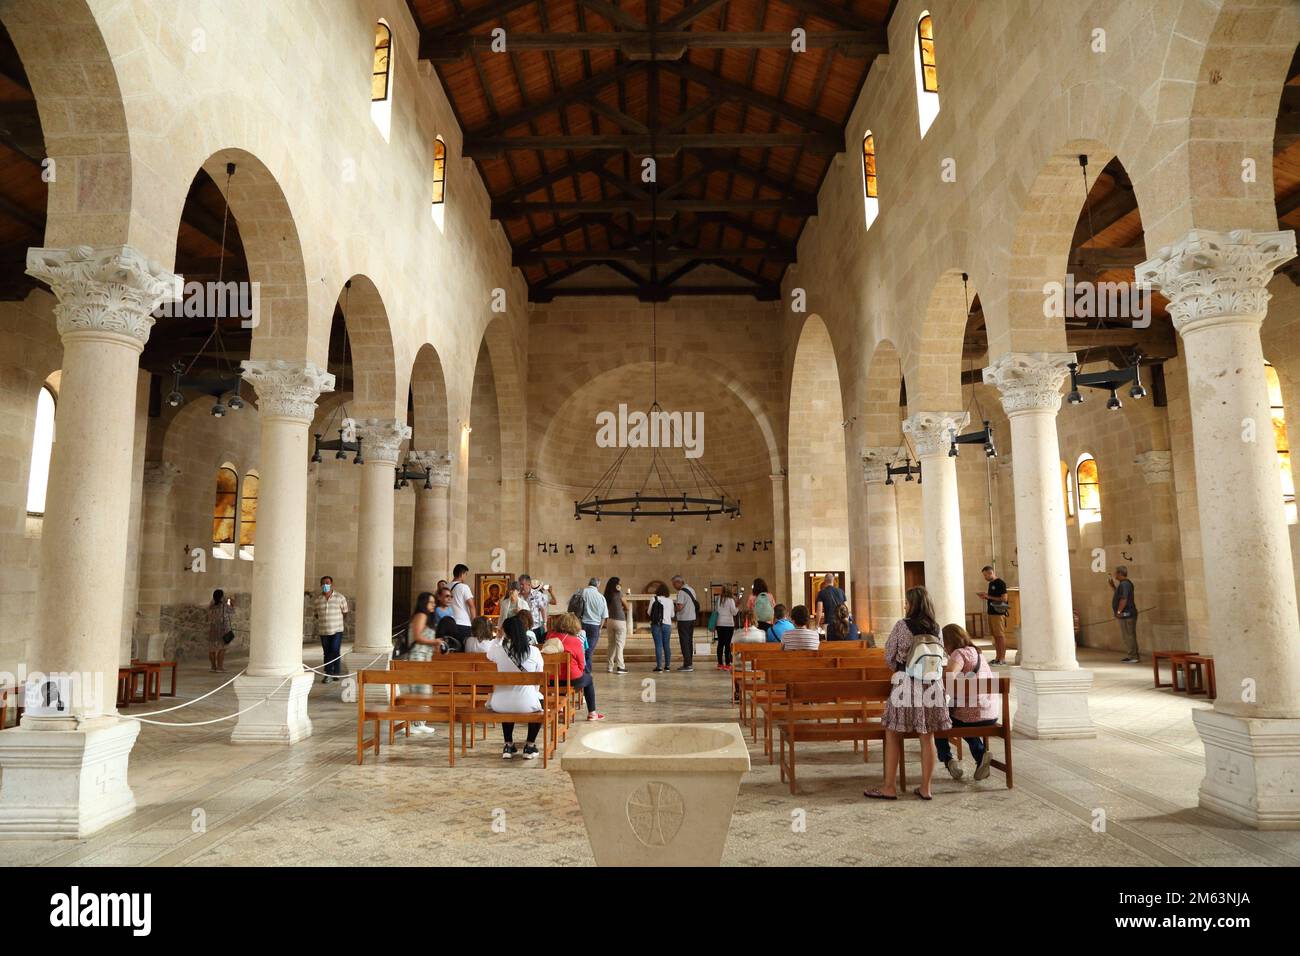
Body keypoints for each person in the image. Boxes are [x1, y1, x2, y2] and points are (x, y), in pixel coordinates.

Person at [864, 586, 951, 801]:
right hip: (932, 685)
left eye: (907, 601)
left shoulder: (902, 626)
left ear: (912, 604)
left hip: (906, 684)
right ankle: (925, 788)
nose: (905, 605)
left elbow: (888, 655)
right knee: (927, 735)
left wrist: (900, 668)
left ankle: (889, 787)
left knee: (893, 733)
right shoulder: (936, 628)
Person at [935, 623, 999, 781]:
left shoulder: (958, 654)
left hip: (973, 715)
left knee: (939, 722)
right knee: (962, 720)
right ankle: (980, 756)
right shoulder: (978, 653)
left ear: (948, 641)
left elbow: (949, 679)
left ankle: (949, 760)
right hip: (990, 713)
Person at [484, 615, 545, 759]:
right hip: (527, 704)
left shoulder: (498, 651)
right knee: (540, 699)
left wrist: (498, 638)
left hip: (500, 705)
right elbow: (539, 677)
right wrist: (533, 693)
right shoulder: (534, 651)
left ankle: (508, 745)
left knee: (507, 695)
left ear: (505, 631)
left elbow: (488, 654)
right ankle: (529, 746)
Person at [548, 611, 603, 720]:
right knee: (589, 680)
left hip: (552, 679)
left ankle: (560, 708)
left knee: (561, 676)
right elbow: (582, 664)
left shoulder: (550, 636)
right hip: (572, 679)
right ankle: (592, 713)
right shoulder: (575, 641)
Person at [404, 591, 444, 735]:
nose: (434, 605)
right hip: (417, 656)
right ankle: (415, 722)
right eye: (431, 602)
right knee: (419, 690)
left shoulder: (427, 617)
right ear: (423, 603)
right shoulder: (421, 615)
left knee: (424, 690)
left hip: (424, 657)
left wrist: (435, 645)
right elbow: (417, 636)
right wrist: (435, 641)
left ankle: (419, 721)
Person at [312, 575, 349, 683]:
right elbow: (316, 614)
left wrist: (337, 621)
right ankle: (331, 673)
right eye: (323, 583)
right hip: (323, 631)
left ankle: (331, 673)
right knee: (326, 652)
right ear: (320, 585)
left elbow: (345, 612)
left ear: (332, 584)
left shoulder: (340, 597)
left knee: (335, 650)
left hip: (337, 630)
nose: (325, 585)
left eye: (327, 583)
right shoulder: (318, 600)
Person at [976, 565, 1010, 664]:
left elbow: (1004, 599)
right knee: (995, 636)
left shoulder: (1000, 583)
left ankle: (1002, 658)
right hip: (991, 612)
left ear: (990, 573)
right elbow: (993, 597)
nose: (984, 577)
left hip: (998, 613)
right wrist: (986, 596)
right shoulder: (991, 584)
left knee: (1000, 636)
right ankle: (997, 657)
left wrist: (988, 596)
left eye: (985, 575)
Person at [578, 577, 608, 676]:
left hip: (583, 624)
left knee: (582, 648)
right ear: (598, 585)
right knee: (589, 650)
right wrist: (600, 628)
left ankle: (583, 669)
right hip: (595, 626)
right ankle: (587, 671)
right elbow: (604, 616)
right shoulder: (601, 597)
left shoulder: (582, 592)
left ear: (589, 583)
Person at [1110, 566, 1139, 662]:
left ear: (1120, 573)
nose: (1115, 575)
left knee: (1129, 635)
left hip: (1127, 614)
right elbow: (1120, 596)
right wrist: (1113, 586)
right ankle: (1131, 655)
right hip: (1126, 613)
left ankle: (1134, 656)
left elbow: (1124, 599)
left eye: (1116, 573)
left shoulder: (1125, 584)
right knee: (1127, 635)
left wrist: (1119, 611)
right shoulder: (1123, 584)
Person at [672, 574, 700, 672]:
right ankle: (689, 663)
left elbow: (679, 607)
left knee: (684, 642)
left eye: (674, 584)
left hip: (684, 620)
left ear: (678, 582)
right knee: (689, 641)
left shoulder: (681, 592)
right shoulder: (691, 589)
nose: (673, 586)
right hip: (692, 618)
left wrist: (672, 610)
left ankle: (687, 665)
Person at [519, 574, 555, 643]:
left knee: (537, 646)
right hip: (521, 627)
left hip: (535, 627)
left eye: (522, 584)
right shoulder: (518, 595)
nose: (521, 587)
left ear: (529, 584)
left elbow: (543, 609)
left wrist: (544, 624)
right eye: (520, 584)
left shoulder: (537, 595)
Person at [604, 577, 628, 674]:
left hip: (610, 620)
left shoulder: (606, 595)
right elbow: (627, 607)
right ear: (616, 585)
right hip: (620, 620)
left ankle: (609, 667)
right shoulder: (619, 594)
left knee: (611, 645)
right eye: (620, 583)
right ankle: (620, 667)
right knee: (619, 645)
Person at [207, 589, 234, 673]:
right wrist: (231, 601)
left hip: (212, 629)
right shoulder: (224, 606)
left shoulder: (210, 607)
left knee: (212, 649)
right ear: (222, 597)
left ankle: (213, 666)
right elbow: (232, 611)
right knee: (222, 649)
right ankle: (220, 667)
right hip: (223, 630)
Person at [649, 582, 674, 672]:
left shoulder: (653, 599)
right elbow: (672, 614)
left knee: (658, 645)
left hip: (656, 624)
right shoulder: (670, 600)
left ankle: (659, 667)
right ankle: (667, 666)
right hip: (667, 624)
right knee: (666, 645)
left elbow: (649, 612)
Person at [448, 564, 475, 643]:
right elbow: (472, 606)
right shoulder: (464, 587)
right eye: (466, 574)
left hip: (448, 623)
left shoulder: (445, 587)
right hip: (463, 623)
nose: (466, 577)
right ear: (461, 574)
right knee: (463, 651)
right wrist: (474, 624)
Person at [714, 585, 738, 669]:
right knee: (727, 644)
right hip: (728, 624)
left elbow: (716, 610)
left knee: (720, 643)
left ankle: (720, 663)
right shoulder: (731, 600)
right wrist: (737, 607)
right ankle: (728, 664)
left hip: (719, 623)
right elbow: (734, 613)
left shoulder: (718, 599)